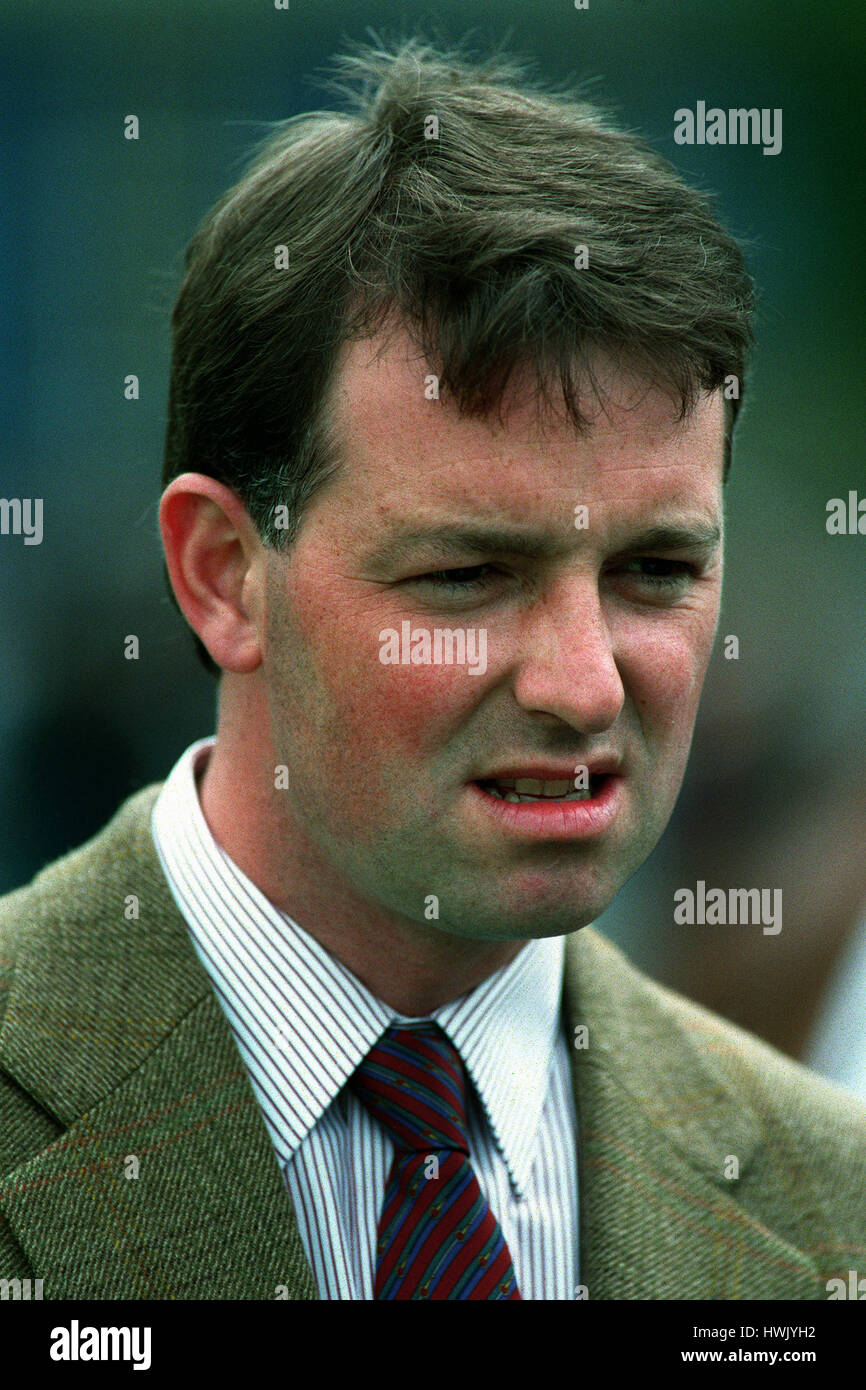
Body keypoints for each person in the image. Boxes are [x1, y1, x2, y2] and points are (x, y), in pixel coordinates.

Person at [1, 37, 863, 1302]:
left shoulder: (829, 1204)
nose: (584, 686)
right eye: (466, 577)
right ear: (221, 574)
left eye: (655, 572)